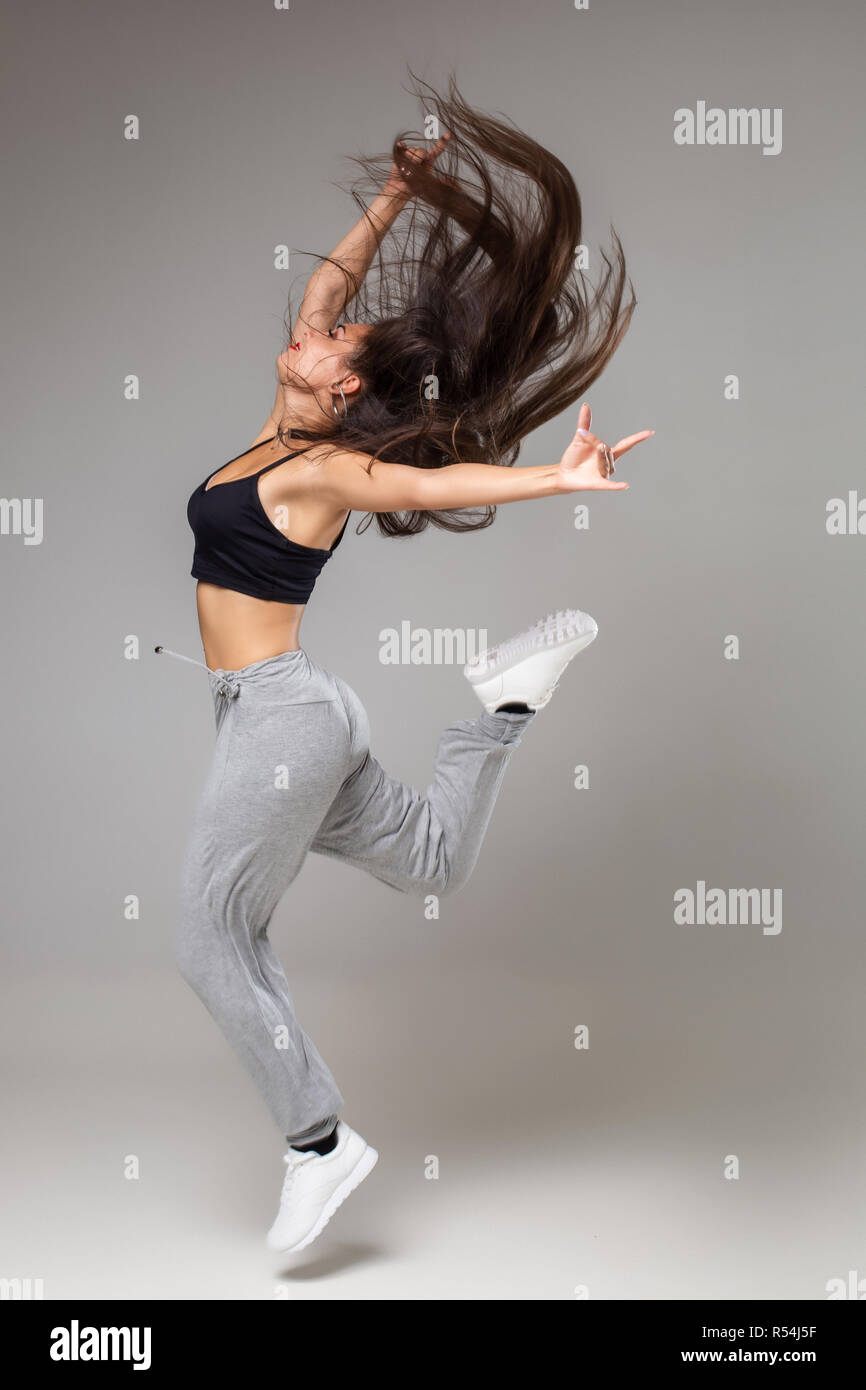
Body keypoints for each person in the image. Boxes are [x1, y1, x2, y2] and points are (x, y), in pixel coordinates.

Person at [157, 75, 653, 1256]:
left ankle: (320, 1144)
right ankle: (501, 711)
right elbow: (330, 284)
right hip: (282, 716)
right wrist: (393, 193)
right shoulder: (277, 426)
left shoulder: (318, 468)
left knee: (208, 935)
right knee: (428, 862)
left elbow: (426, 484)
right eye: (330, 329)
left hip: (281, 717)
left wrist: (553, 480)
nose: (319, 324)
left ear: (341, 393)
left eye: (333, 345)